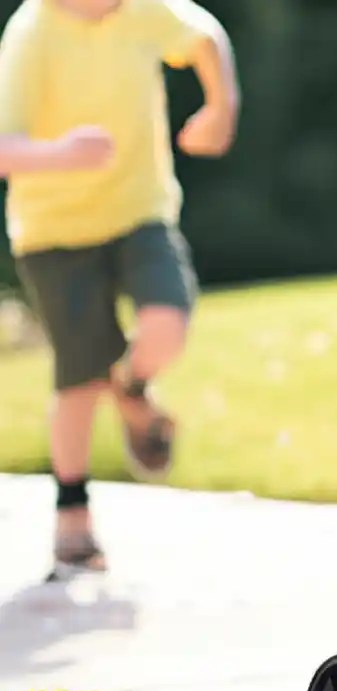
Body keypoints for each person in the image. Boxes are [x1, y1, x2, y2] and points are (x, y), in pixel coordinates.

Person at [0, 0, 240, 580]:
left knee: (167, 325)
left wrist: (220, 104)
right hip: (53, 232)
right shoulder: (32, 34)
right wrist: (60, 155)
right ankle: (73, 520)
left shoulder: (144, 11)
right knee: (79, 377)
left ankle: (132, 387)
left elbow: (206, 36)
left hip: (139, 213)